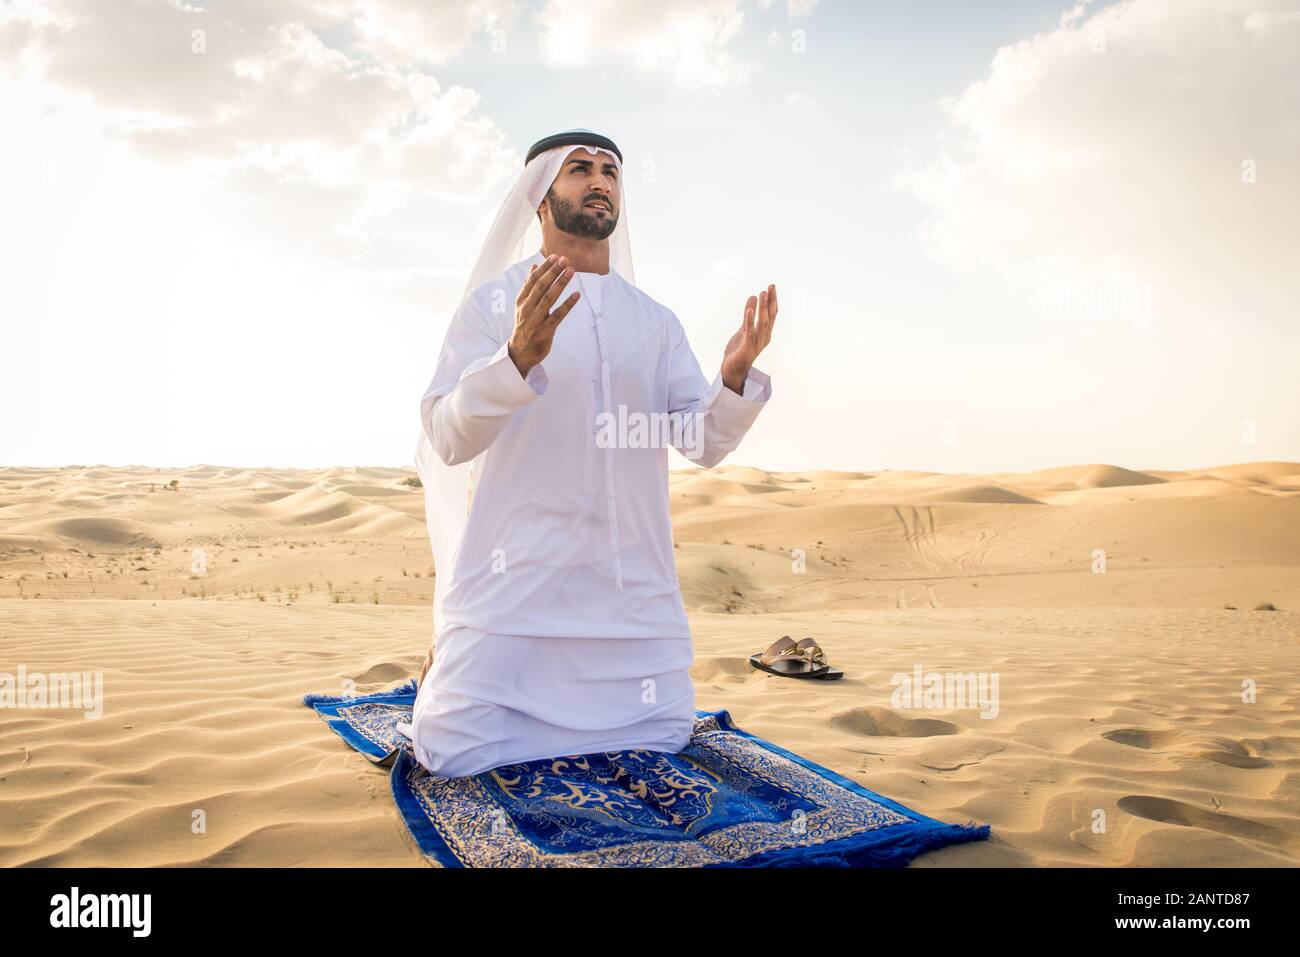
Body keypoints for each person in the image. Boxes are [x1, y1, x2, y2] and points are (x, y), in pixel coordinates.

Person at [395, 128, 778, 777]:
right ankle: (449, 670)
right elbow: (447, 435)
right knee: (451, 751)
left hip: (629, 603)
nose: (600, 180)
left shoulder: (655, 321)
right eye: (579, 169)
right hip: (514, 592)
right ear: (541, 198)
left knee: (664, 734)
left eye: (610, 171)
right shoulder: (493, 304)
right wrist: (514, 359)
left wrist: (735, 376)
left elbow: (700, 440)